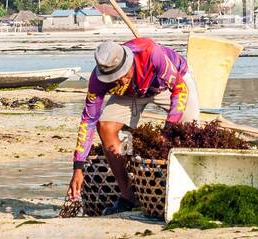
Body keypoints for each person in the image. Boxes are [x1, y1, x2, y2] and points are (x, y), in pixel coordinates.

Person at [66, 37, 199, 211]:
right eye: (112, 78)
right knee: (105, 127)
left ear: (129, 62)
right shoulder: (98, 80)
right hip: (131, 93)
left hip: (170, 84)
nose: (119, 81)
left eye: (121, 75)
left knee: (189, 132)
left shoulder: (151, 53)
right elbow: (88, 121)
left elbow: (179, 89)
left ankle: (187, 191)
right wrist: (78, 167)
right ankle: (128, 196)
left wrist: (169, 129)